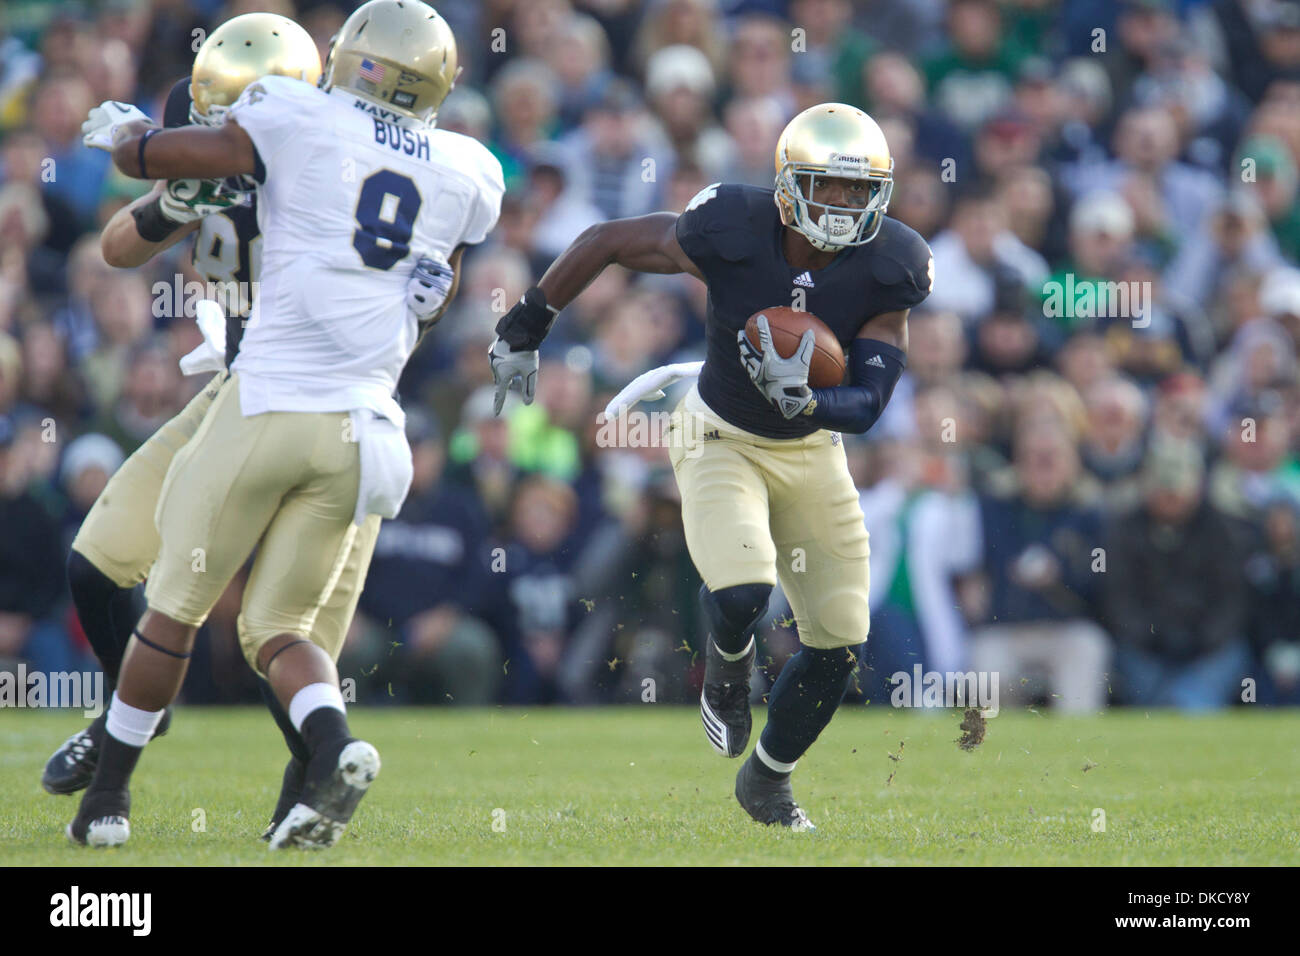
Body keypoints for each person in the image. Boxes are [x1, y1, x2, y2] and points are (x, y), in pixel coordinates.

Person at [67, 0, 503, 849]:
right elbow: (437, 268)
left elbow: (166, 159)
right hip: (368, 428)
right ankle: (336, 751)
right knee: (281, 633)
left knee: (174, 608)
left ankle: (109, 800)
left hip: (267, 400)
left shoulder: (296, 121)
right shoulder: (463, 166)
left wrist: (129, 142)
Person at [489, 103, 932, 828]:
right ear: (788, 185)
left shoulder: (892, 264)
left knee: (841, 637)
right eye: (829, 186)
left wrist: (808, 402)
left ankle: (769, 780)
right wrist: (528, 320)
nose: (845, 205)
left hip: (812, 450)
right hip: (719, 431)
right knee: (741, 591)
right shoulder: (730, 226)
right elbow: (606, 240)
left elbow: (869, 403)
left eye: (859, 191)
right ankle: (727, 668)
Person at [41, 13, 388, 848]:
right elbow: (119, 248)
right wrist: (170, 205)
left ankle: (311, 787)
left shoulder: (333, 155)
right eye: (216, 113)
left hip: (332, 399)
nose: (229, 128)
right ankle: (135, 713)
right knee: (97, 562)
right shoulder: (203, 124)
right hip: (236, 390)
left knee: (286, 638)